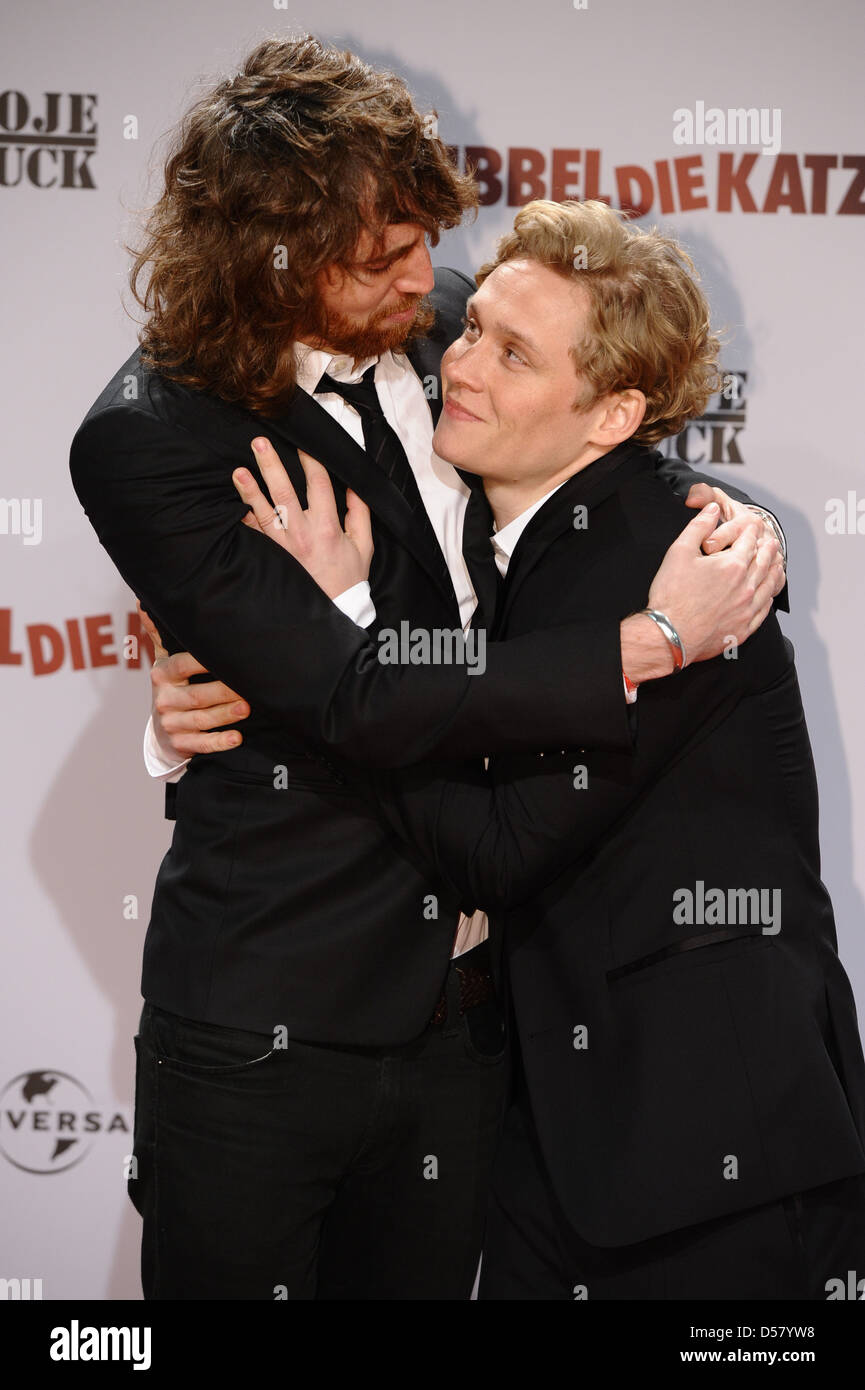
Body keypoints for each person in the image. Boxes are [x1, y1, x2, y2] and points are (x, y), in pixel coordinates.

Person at [70, 35, 784, 1300]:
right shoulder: (149, 440)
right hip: (265, 1026)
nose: (428, 284)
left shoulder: (448, 326)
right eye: (384, 259)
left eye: (422, 241)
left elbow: (602, 424)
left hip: (472, 1020)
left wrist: (723, 524)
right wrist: (644, 642)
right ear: (268, 264)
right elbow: (350, 694)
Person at [222, 198, 865, 1300]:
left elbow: (499, 847)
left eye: (512, 354)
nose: (459, 364)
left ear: (612, 414)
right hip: (556, 1149)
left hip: (716, 1155)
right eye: (473, 329)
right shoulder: (488, 539)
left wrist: (340, 662)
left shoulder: (684, 560)